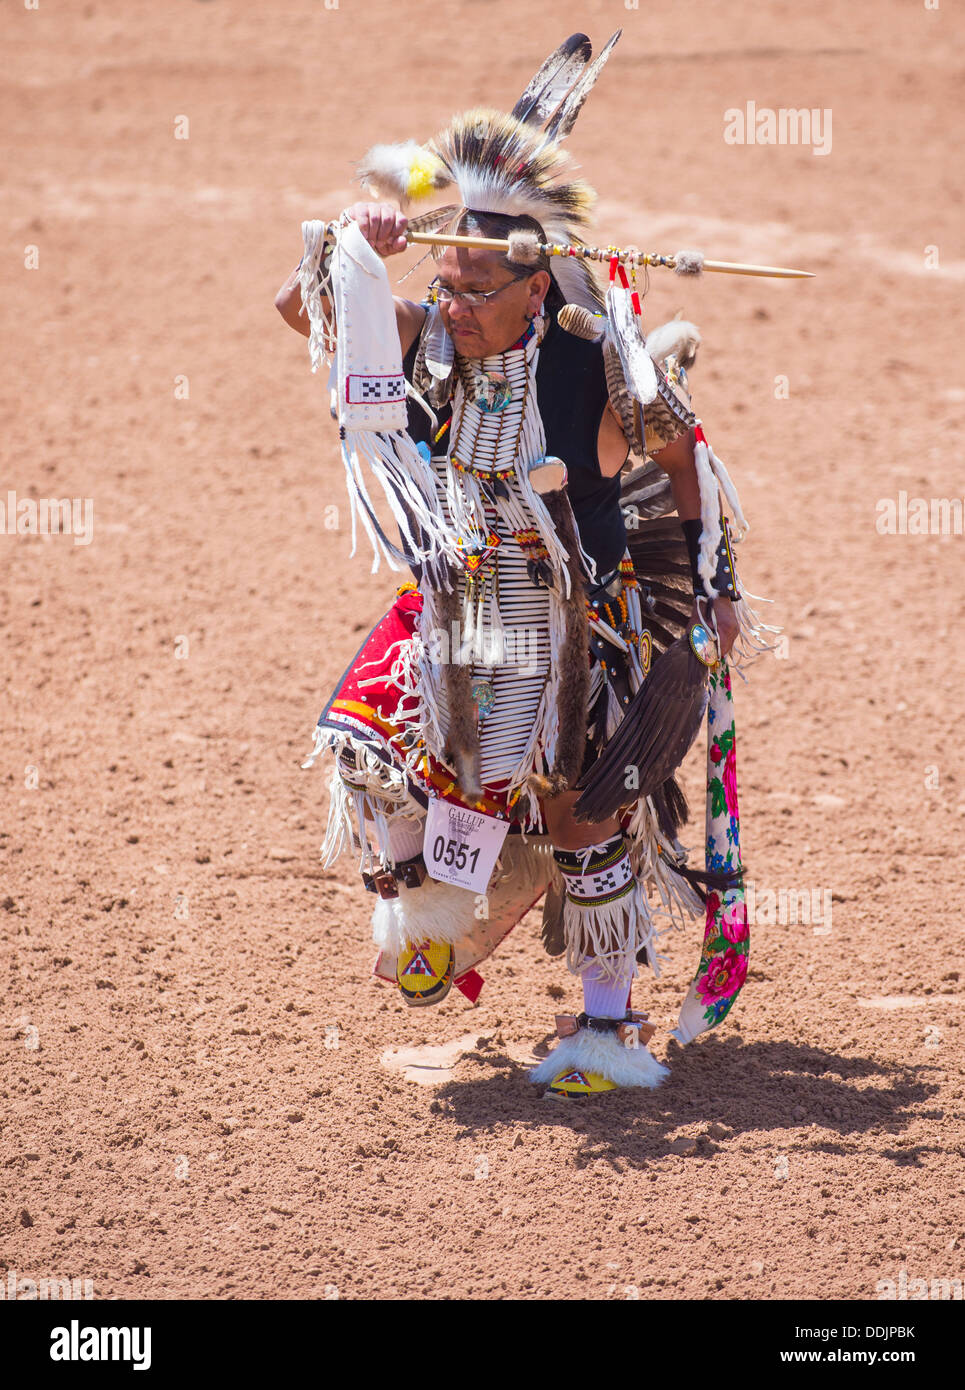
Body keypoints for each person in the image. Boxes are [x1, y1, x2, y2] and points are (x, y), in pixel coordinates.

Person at [275, 32, 764, 1096]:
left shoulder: (590, 363)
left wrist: (715, 587)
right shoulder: (427, 343)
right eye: (440, 280)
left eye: (474, 288)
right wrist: (352, 246)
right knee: (367, 752)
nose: (450, 303)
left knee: (581, 816)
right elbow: (300, 310)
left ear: (532, 285)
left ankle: (605, 1029)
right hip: (452, 608)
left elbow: (684, 447)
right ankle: (435, 919)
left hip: (573, 627)